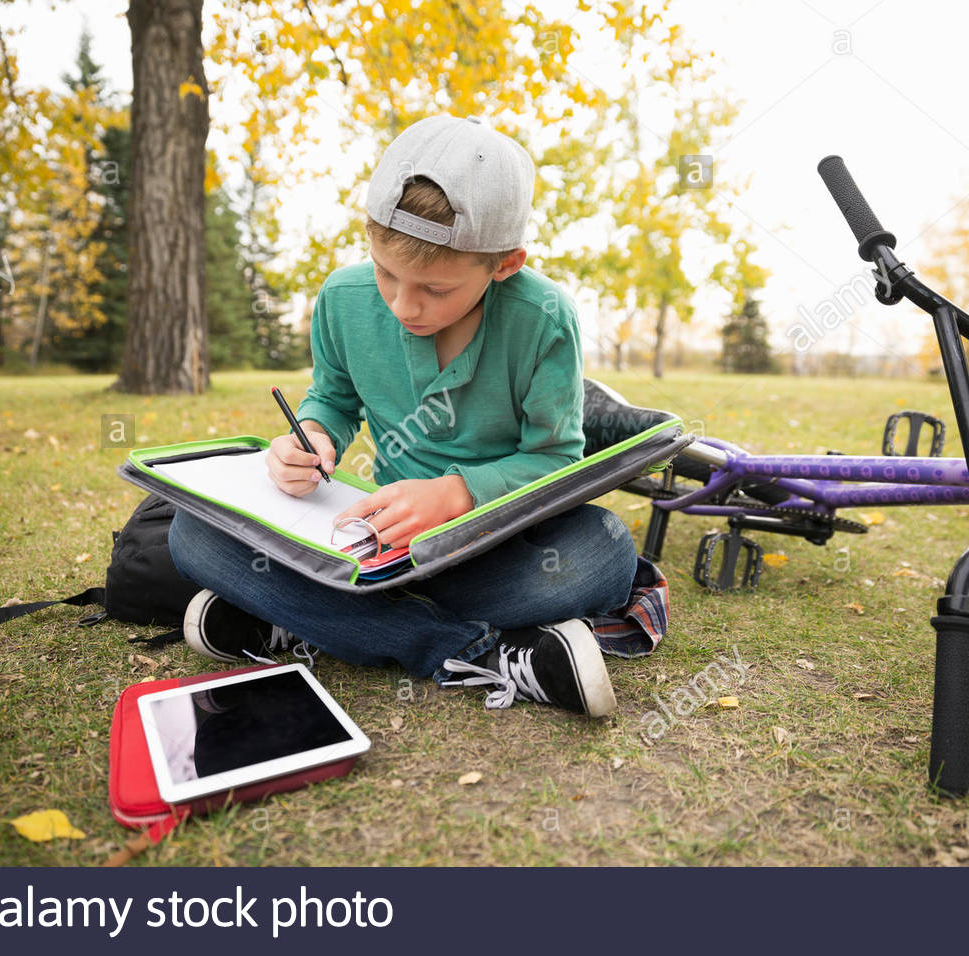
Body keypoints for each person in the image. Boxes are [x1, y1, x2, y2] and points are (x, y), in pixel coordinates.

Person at [167, 115, 642, 718]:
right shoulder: (342, 298)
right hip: (378, 541)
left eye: (435, 290)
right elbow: (332, 402)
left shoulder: (544, 318)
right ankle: (478, 653)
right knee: (191, 535)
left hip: (498, 545)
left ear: (505, 264)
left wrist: (457, 494)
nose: (402, 305)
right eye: (386, 273)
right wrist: (309, 436)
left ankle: (310, 624)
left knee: (603, 552)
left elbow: (555, 459)